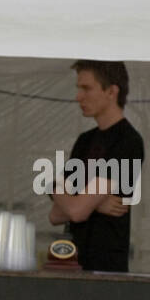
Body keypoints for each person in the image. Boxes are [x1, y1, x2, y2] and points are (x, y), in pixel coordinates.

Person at [48, 60, 142, 272]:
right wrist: (95, 205)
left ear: (111, 92)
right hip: (72, 262)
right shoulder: (85, 140)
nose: (78, 97)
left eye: (87, 88)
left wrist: (55, 189)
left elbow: (76, 211)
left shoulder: (127, 141)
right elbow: (55, 214)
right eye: (79, 88)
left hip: (105, 269)